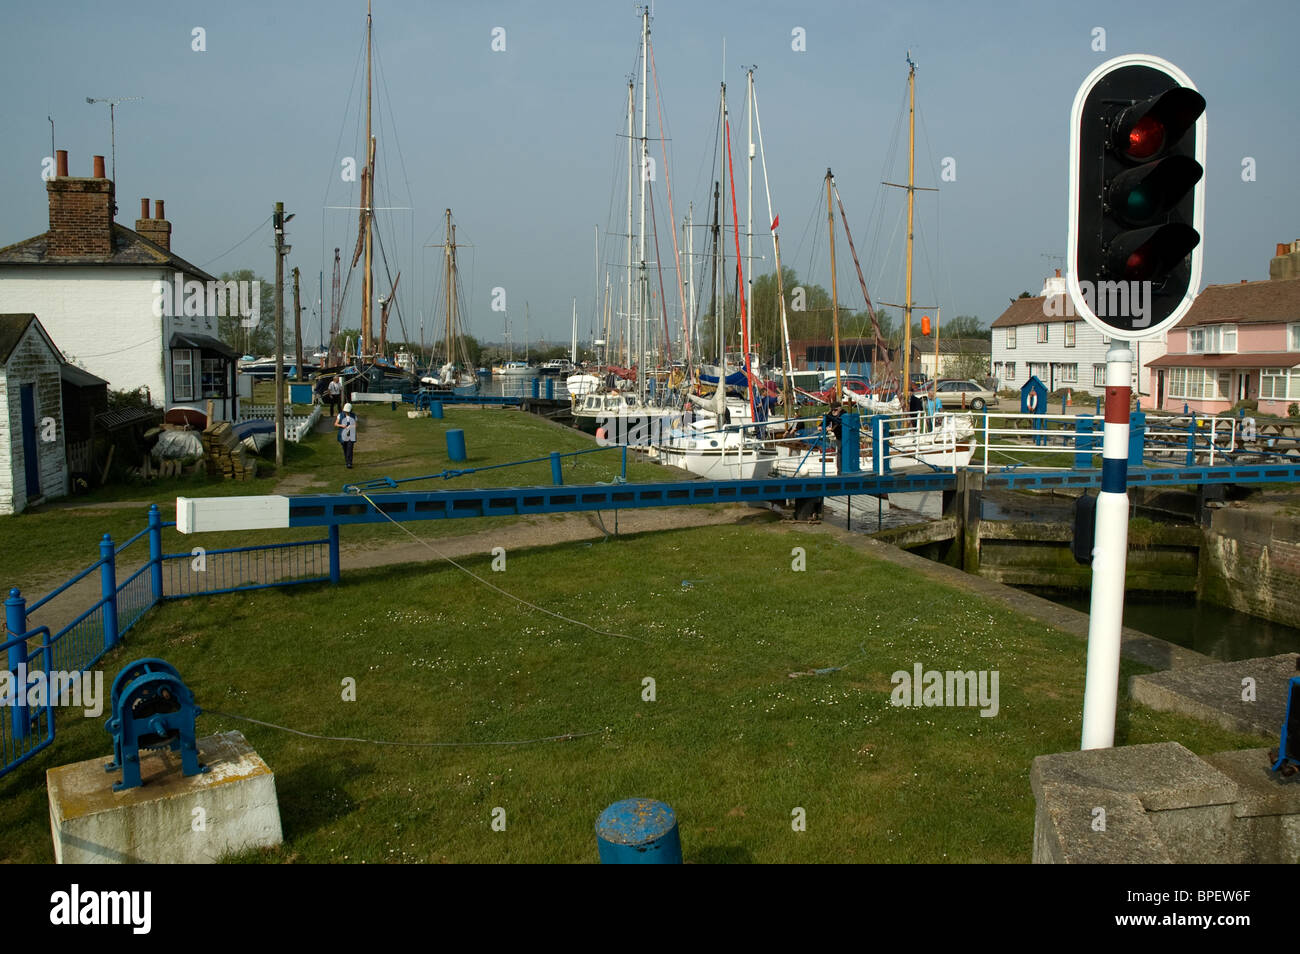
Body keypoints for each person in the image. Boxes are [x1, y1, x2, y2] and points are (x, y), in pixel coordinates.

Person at [334, 402, 357, 468]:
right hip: (343, 435)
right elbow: (335, 424)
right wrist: (341, 425)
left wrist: (351, 426)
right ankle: (347, 461)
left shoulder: (353, 415)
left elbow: (355, 425)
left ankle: (349, 463)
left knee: (350, 448)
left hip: (351, 435)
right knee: (345, 449)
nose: (346, 412)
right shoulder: (340, 415)